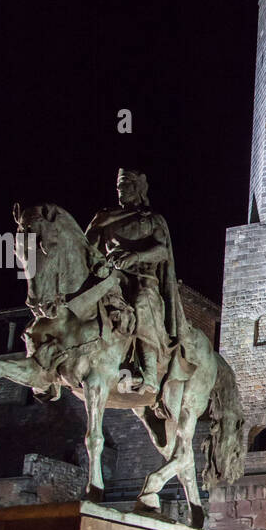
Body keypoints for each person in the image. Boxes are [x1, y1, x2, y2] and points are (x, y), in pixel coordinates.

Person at [85, 169, 186, 397]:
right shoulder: (104, 218)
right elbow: (87, 248)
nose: (120, 190)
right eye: (119, 186)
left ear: (139, 189)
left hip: (142, 277)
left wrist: (135, 256)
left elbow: (162, 250)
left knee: (143, 301)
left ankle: (149, 371)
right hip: (110, 276)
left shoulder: (150, 219)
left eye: (126, 185)